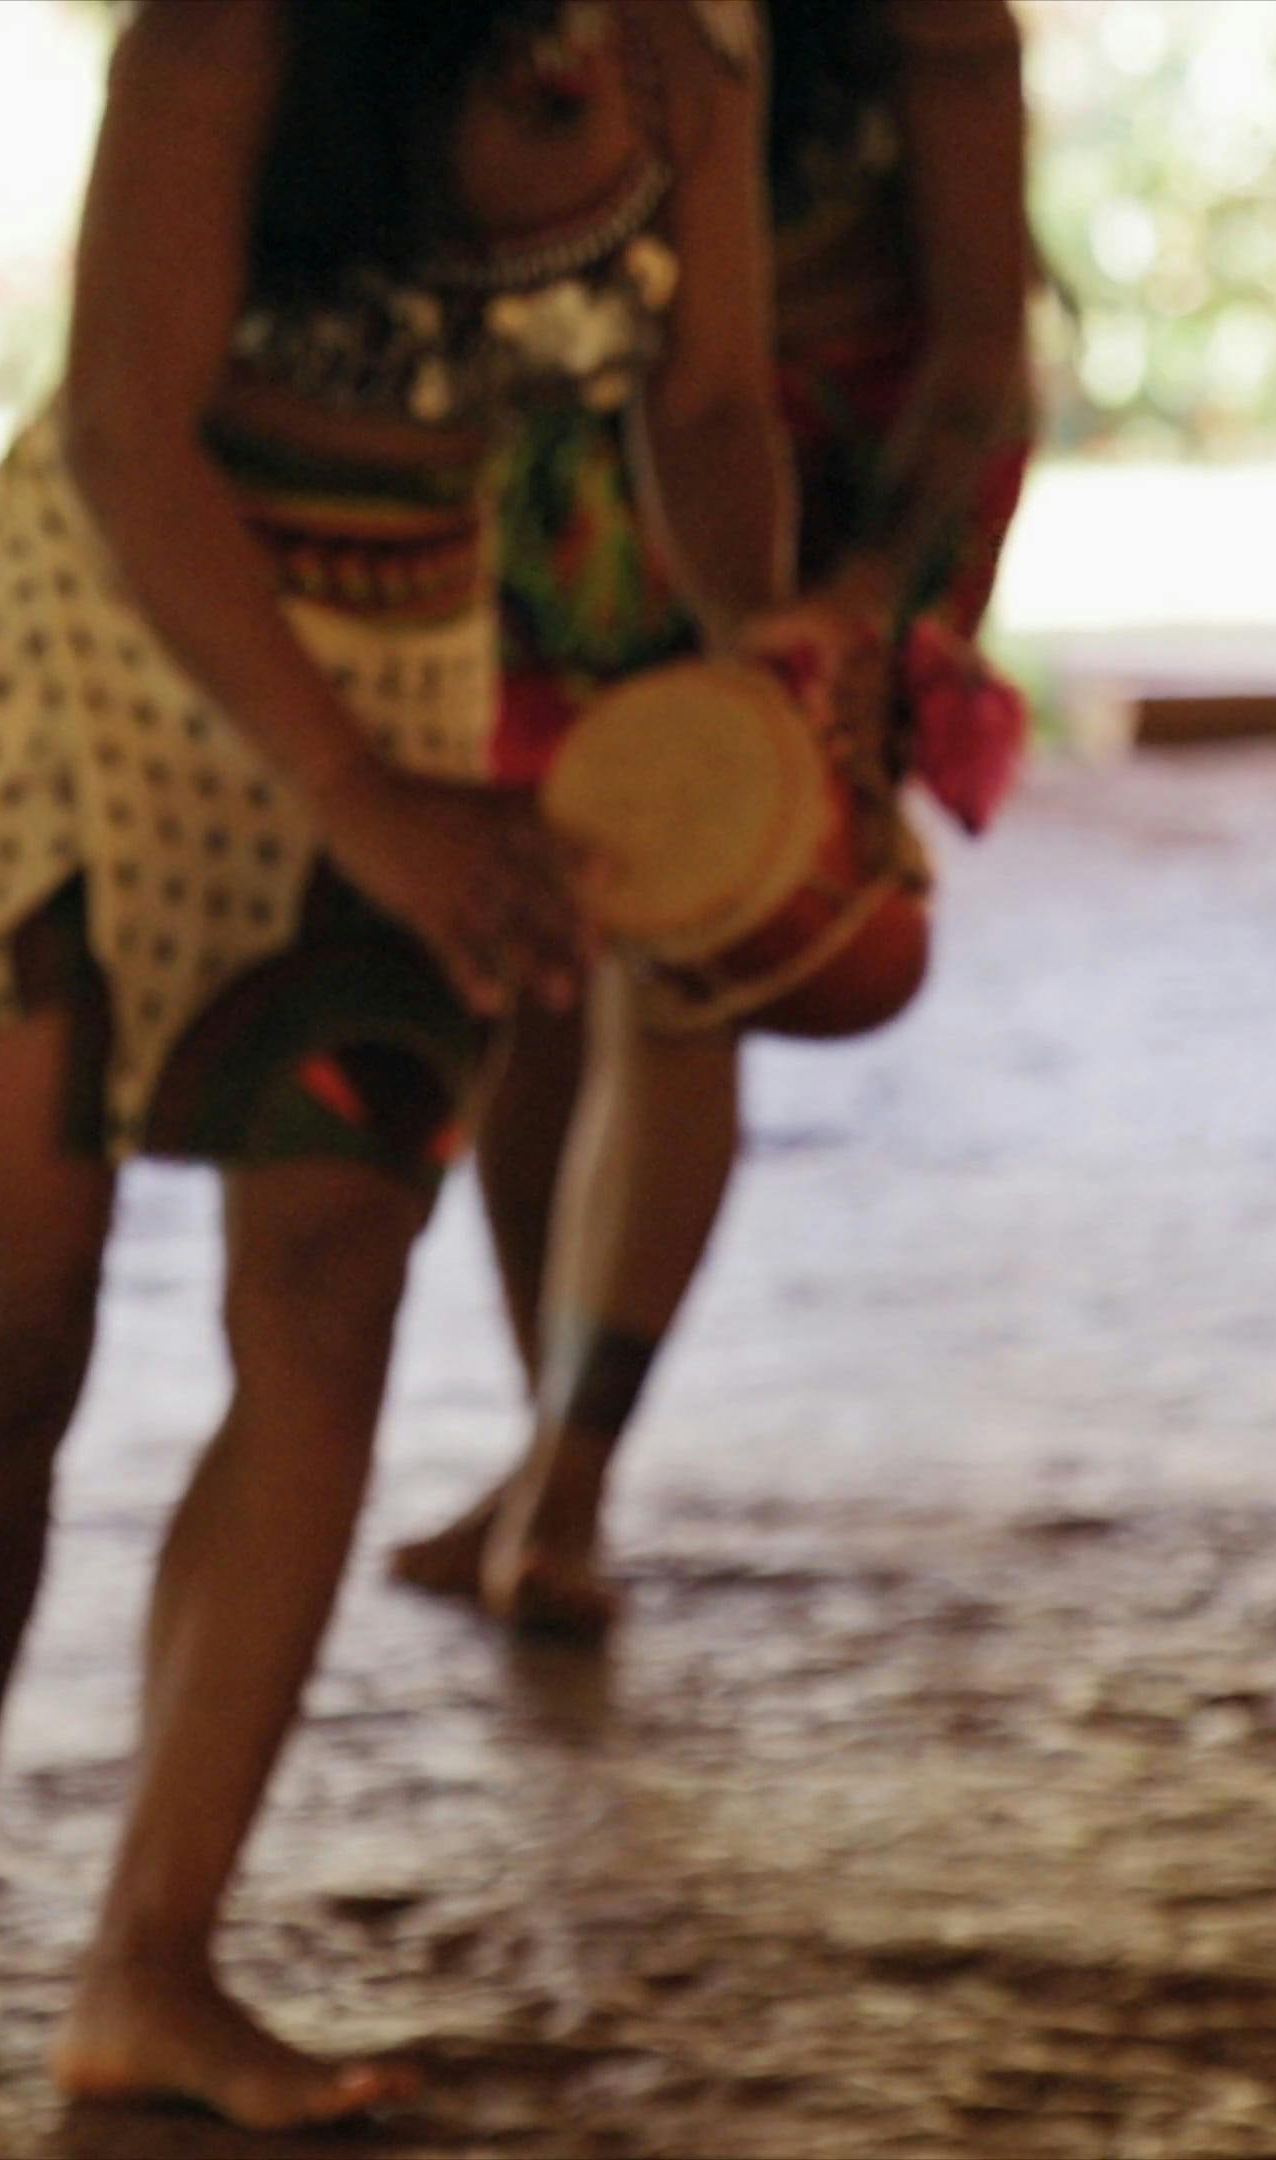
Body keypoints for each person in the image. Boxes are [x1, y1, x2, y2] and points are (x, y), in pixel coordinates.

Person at [0, 0, 819, 2126]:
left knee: (326, 1304)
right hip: (90, 656)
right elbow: (120, 440)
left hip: (401, 673)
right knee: (7, 1331)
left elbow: (707, 403)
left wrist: (764, 649)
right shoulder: (235, 28)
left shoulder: (685, 61)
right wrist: (359, 798)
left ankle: (148, 1962)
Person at [391, 0, 1042, 1634]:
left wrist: (862, 604)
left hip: (821, 491)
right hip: (549, 468)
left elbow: (977, 354)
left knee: (684, 969)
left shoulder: (931, 26)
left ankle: (566, 1485)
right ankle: (549, 1435)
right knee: (528, 978)